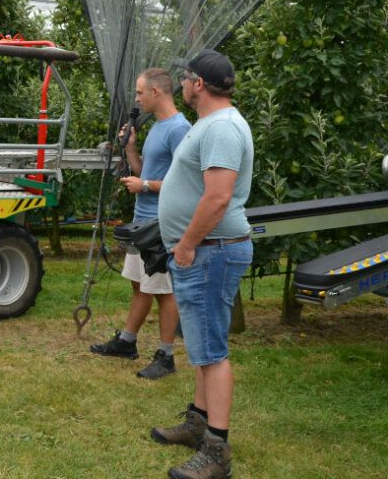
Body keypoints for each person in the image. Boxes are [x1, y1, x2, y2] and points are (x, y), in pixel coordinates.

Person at [152, 49, 253, 479]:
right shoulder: (210, 124)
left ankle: (216, 451)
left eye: (186, 78)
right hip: (203, 249)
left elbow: (218, 197)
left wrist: (187, 244)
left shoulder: (223, 127)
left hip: (210, 250)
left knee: (212, 352)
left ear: (198, 84)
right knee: (202, 345)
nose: (182, 84)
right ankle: (198, 421)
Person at [91, 68, 190, 379]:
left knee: (163, 290)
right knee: (139, 283)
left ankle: (166, 356)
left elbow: (185, 182)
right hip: (142, 219)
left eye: (139, 93)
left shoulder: (179, 129)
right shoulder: (158, 127)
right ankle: (127, 342)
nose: (136, 99)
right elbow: (145, 170)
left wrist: (144, 186)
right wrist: (131, 148)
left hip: (162, 222)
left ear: (156, 92)